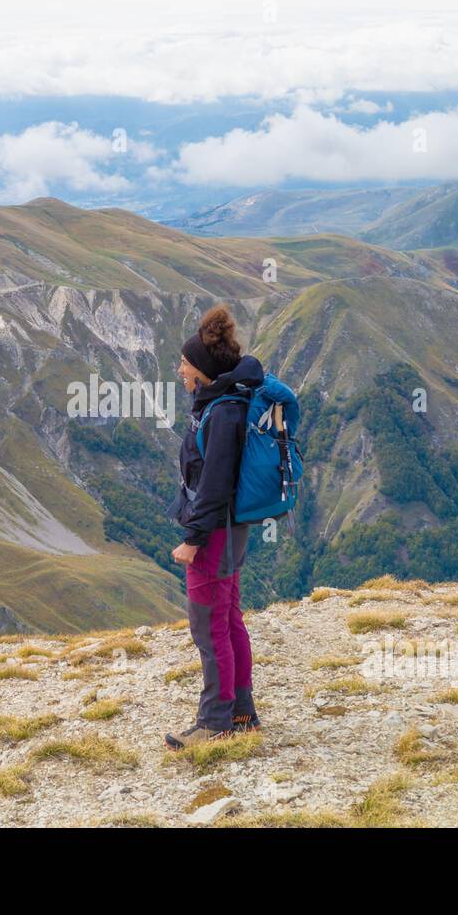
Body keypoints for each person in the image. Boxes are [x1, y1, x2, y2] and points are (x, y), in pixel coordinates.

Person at [163, 304, 263, 749]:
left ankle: (215, 722)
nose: (180, 368)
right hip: (230, 530)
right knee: (228, 620)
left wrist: (193, 539)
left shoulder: (222, 414)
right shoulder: (222, 403)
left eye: (184, 362)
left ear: (201, 369)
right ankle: (241, 713)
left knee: (209, 627)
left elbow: (215, 483)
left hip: (215, 534)